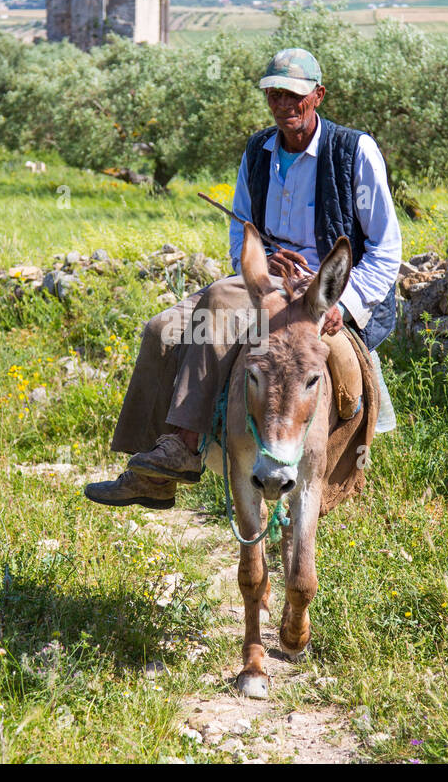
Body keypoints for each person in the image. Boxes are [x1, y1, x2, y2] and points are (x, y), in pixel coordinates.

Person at [84, 47, 402, 510]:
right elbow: (240, 233)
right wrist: (263, 262)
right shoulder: (257, 152)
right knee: (161, 329)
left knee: (216, 299)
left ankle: (183, 442)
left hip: (325, 288)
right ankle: (150, 468)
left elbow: (386, 247)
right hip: (267, 282)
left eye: (295, 95)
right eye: (275, 94)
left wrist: (343, 302)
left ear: (318, 95)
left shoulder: (354, 151)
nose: (284, 104)